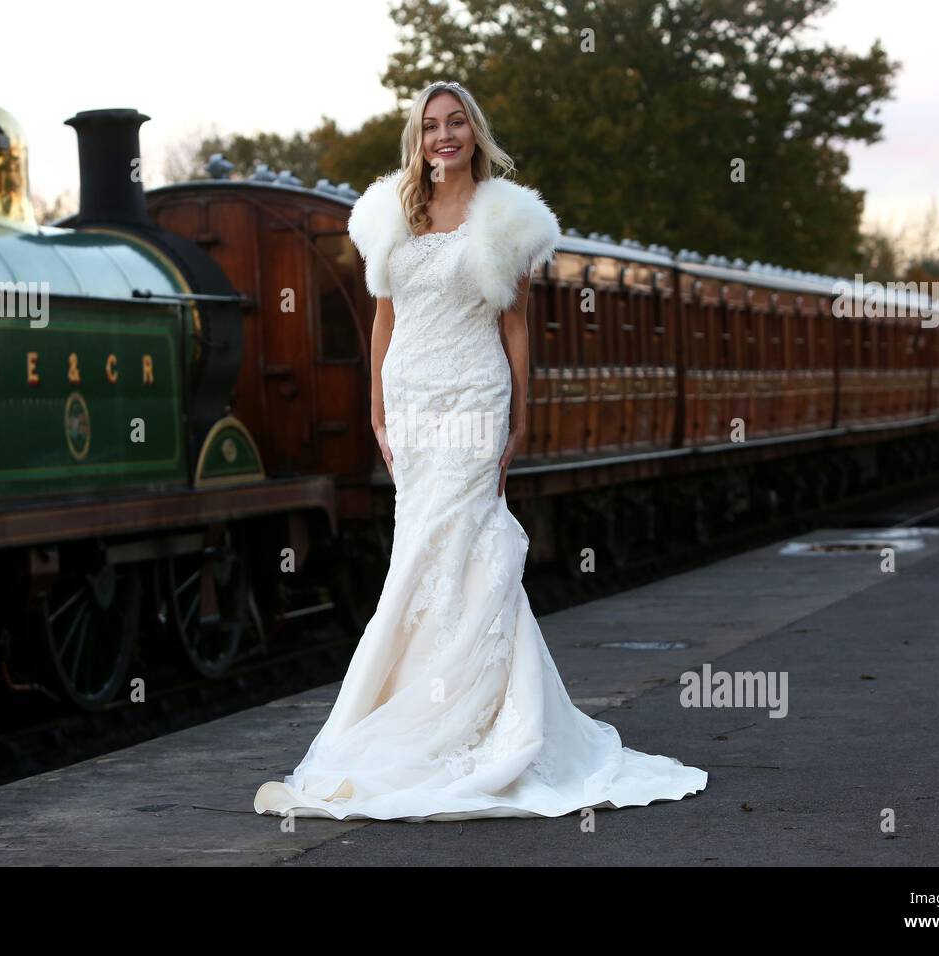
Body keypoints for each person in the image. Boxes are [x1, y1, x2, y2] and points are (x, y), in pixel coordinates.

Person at [254, 82, 708, 821]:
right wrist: (374, 405)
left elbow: (517, 326)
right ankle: (429, 711)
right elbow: (382, 319)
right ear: (418, 137)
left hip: (473, 399)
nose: (443, 135)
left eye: (455, 121)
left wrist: (520, 417)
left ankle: (482, 726)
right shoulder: (390, 213)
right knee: (422, 556)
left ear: (474, 131)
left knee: (467, 545)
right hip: (412, 405)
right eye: (431, 125)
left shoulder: (507, 217)